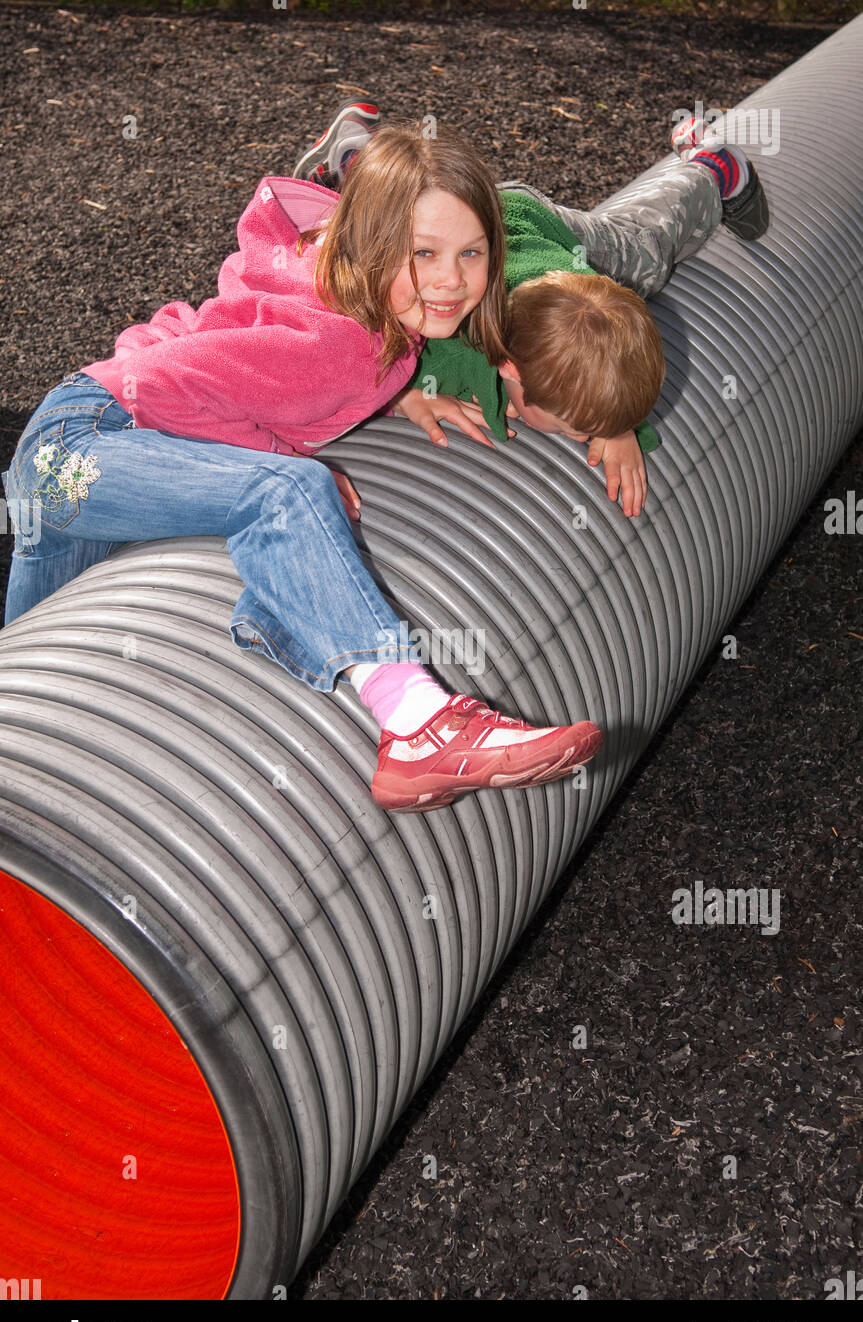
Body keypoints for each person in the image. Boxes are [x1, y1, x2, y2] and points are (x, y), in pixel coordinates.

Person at [1, 120, 602, 815]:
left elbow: (212, 339)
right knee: (287, 491)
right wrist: (281, 465)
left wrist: (397, 391)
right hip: (80, 450)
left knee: (27, 674)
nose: (451, 279)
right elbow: (157, 384)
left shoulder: (357, 319)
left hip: (86, 444)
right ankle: (414, 722)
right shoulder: (345, 341)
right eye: (423, 254)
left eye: (471, 253)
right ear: (371, 247)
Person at [294, 105, 769, 520]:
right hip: (491, 223)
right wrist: (401, 397)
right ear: (509, 367)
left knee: (643, 256)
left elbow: (606, 352)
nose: (580, 437)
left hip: (520, 234)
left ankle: (710, 167)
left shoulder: (519, 302)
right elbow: (355, 372)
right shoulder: (434, 336)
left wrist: (622, 426)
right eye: (573, 427)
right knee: (647, 252)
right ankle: (359, 163)